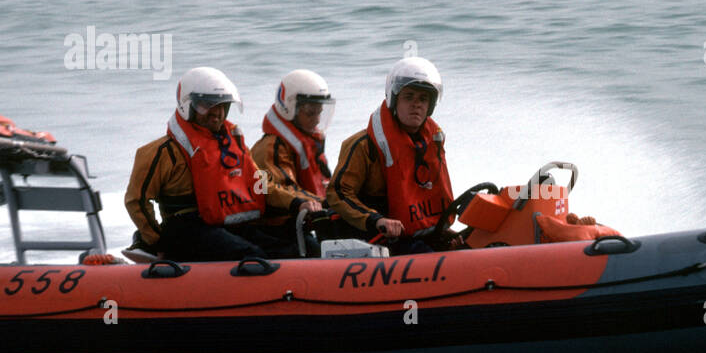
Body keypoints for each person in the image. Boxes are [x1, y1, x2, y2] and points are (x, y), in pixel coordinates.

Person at [125, 66, 309, 261]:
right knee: (252, 256)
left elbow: (260, 185)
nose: (217, 113)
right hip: (185, 229)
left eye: (223, 106)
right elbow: (136, 200)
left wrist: (296, 202)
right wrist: (156, 241)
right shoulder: (162, 152)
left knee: (289, 250)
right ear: (187, 105)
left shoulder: (234, 144)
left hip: (225, 224)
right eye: (207, 105)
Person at [325, 57, 458, 254]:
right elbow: (338, 193)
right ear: (394, 99)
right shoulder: (363, 145)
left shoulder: (432, 143)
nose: (416, 105)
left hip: (414, 235)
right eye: (409, 97)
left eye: (423, 99)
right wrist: (375, 219)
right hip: (378, 236)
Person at [251, 70, 332, 226]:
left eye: (319, 113)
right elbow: (270, 189)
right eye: (310, 113)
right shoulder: (270, 147)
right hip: (279, 227)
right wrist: (322, 202)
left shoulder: (311, 143)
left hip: (307, 222)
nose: (316, 121)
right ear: (289, 107)